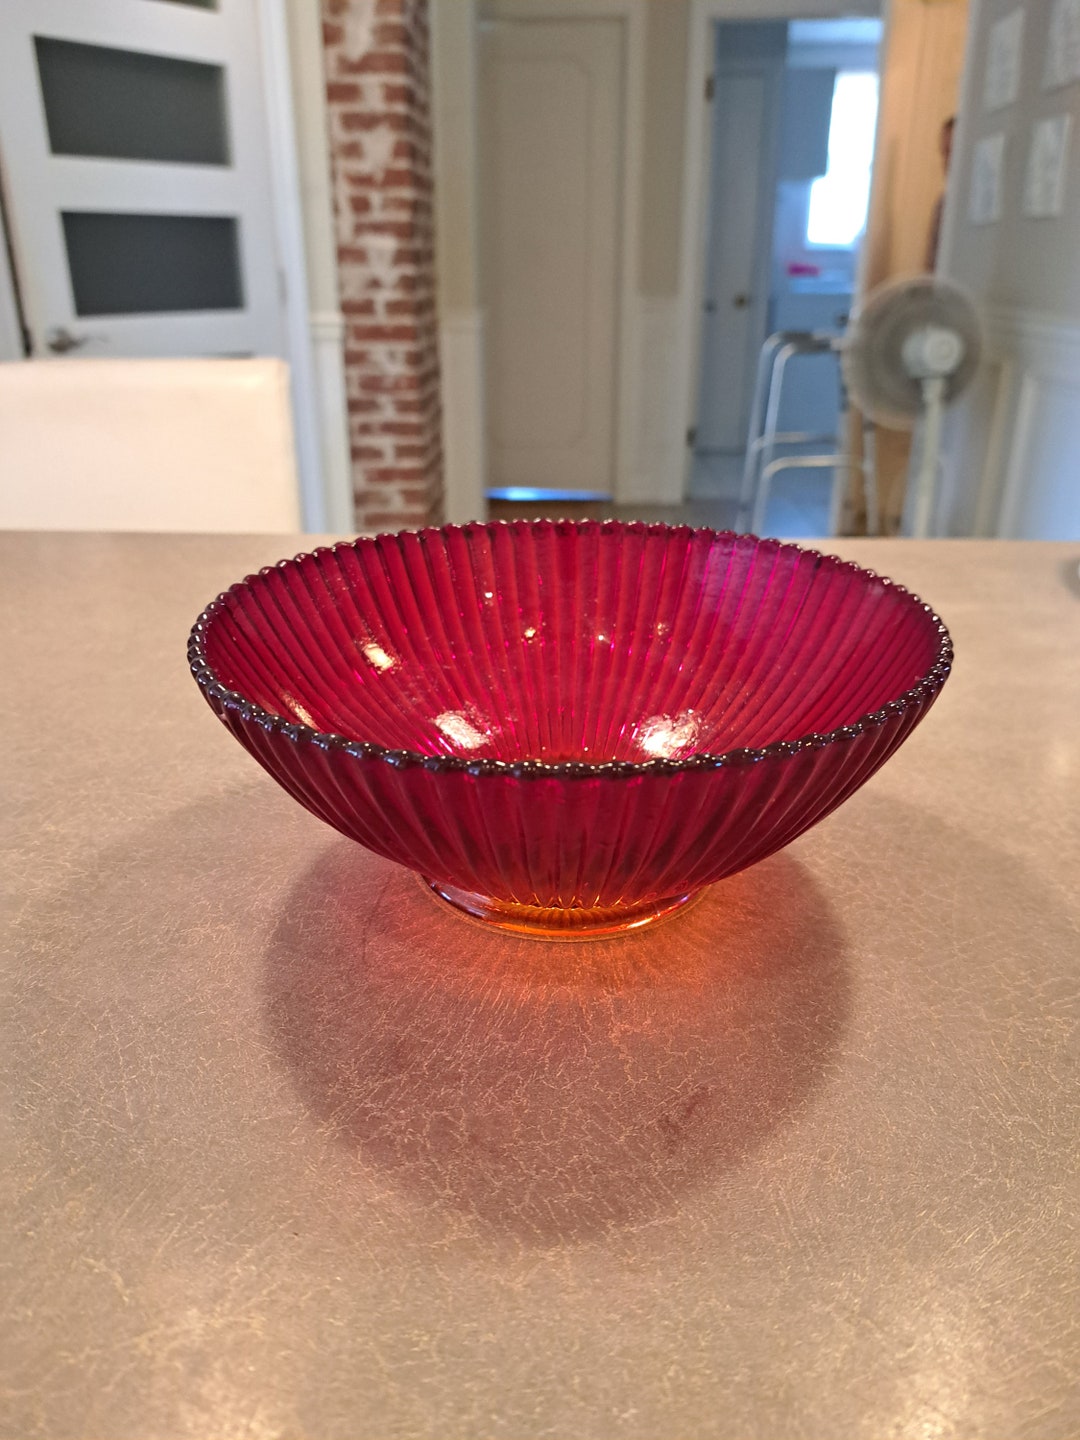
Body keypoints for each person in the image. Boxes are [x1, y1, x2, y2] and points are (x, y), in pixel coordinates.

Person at [925, 115, 956, 271]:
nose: (947, 162)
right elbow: (929, 269)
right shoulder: (942, 206)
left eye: (953, 152)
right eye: (944, 153)